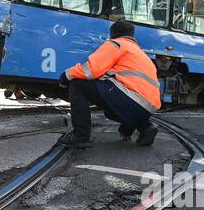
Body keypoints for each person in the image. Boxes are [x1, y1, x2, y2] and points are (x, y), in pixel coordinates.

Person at [57, 20, 161, 148]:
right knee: (109, 108)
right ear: (132, 36)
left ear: (112, 34)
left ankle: (80, 136)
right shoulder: (140, 53)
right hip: (147, 108)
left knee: (78, 84)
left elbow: (91, 70)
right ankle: (145, 126)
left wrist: (66, 75)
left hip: (130, 98)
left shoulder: (116, 44)